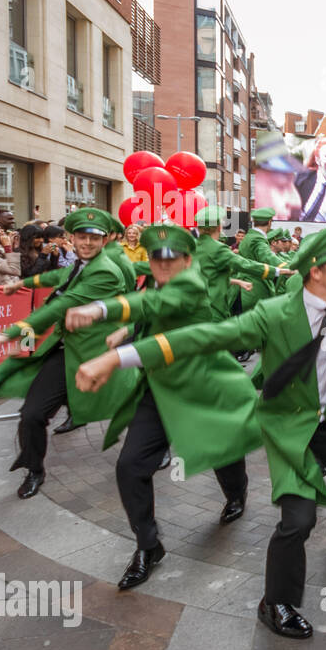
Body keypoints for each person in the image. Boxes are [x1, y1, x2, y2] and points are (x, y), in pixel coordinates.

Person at [75, 228, 326, 639]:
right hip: (291, 427)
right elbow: (203, 336)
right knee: (298, 520)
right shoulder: (273, 314)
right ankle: (276, 602)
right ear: (315, 272)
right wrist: (117, 359)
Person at [61, 223, 258, 588]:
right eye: (156, 257)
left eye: (173, 258)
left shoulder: (191, 284)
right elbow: (151, 309)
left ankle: (236, 492)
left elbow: (157, 305)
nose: (163, 265)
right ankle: (148, 546)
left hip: (202, 386)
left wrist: (103, 311)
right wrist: (129, 329)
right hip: (160, 389)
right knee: (130, 465)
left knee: (222, 451)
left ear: (188, 259)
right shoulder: (157, 280)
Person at [0, 208, 139, 499]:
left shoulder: (106, 268)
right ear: (72, 238)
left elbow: (58, 306)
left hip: (97, 353)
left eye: (94, 238)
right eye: (81, 237)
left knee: (132, 407)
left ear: (104, 240)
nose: (87, 243)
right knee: (32, 414)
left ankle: (159, 445)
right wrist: (23, 283)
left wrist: (8, 335)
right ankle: (34, 469)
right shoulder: (82, 264)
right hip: (66, 350)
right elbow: (61, 277)